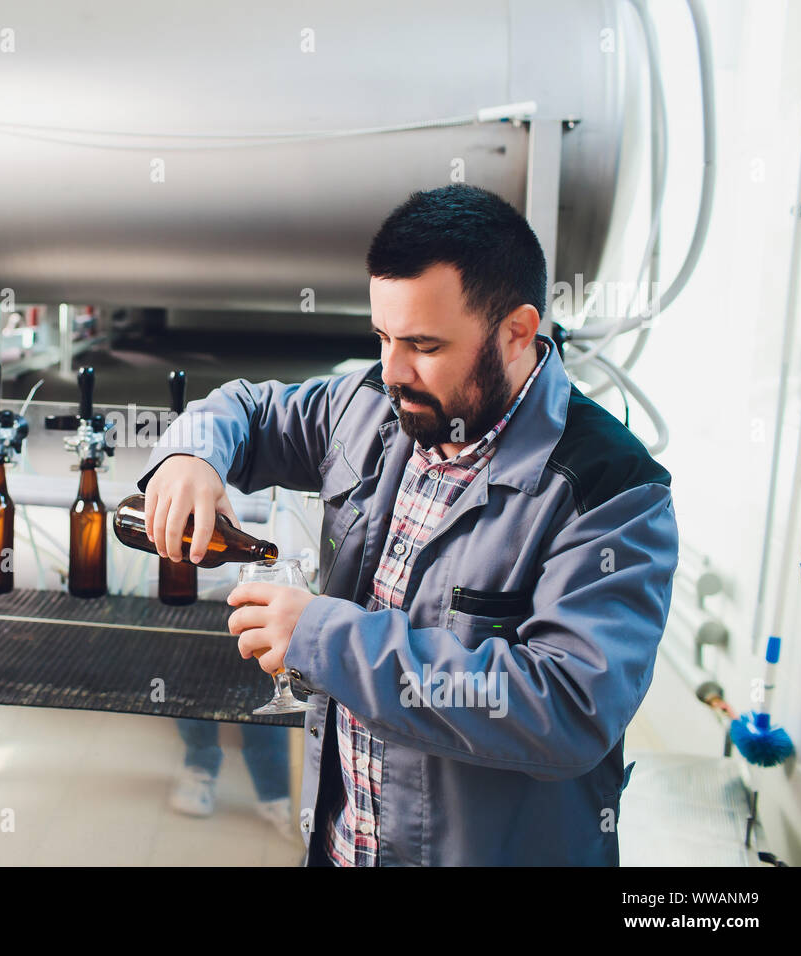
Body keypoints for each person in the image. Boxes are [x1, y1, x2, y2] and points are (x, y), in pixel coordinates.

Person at [136, 184, 679, 866]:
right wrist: (190, 454)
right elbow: (246, 409)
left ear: (517, 332)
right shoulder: (370, 409)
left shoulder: (611, 492)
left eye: (423, 344)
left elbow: (568, 709)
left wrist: (323, 636)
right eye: (383, 337)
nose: (392, 371)